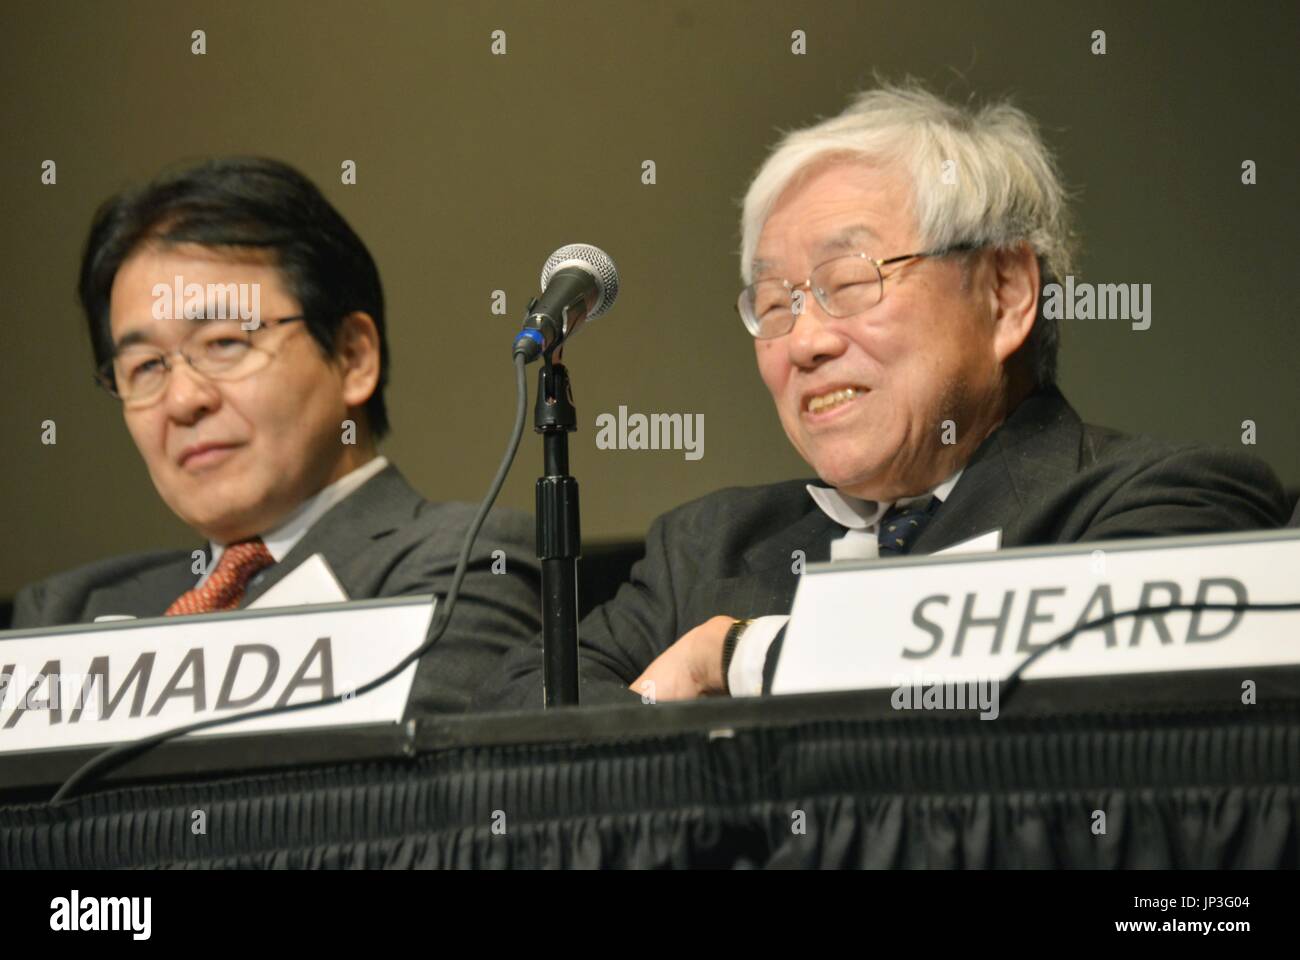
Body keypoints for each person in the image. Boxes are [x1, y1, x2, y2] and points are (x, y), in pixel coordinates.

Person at [476, 83, 1288, 710]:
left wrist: (739, 657)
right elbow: (520, 718)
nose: (804, 342)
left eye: (847, 282)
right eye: (775, 302)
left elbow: (1047, 731)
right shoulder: (708, 550)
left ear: (1006, 294)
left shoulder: (1165, 507)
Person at [11, 157, 541, 716]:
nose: (184, 400)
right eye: (144, 366)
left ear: (353, 356)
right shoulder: (64, 615)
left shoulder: (466, 564)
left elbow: (387, 799)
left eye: (224, 342)